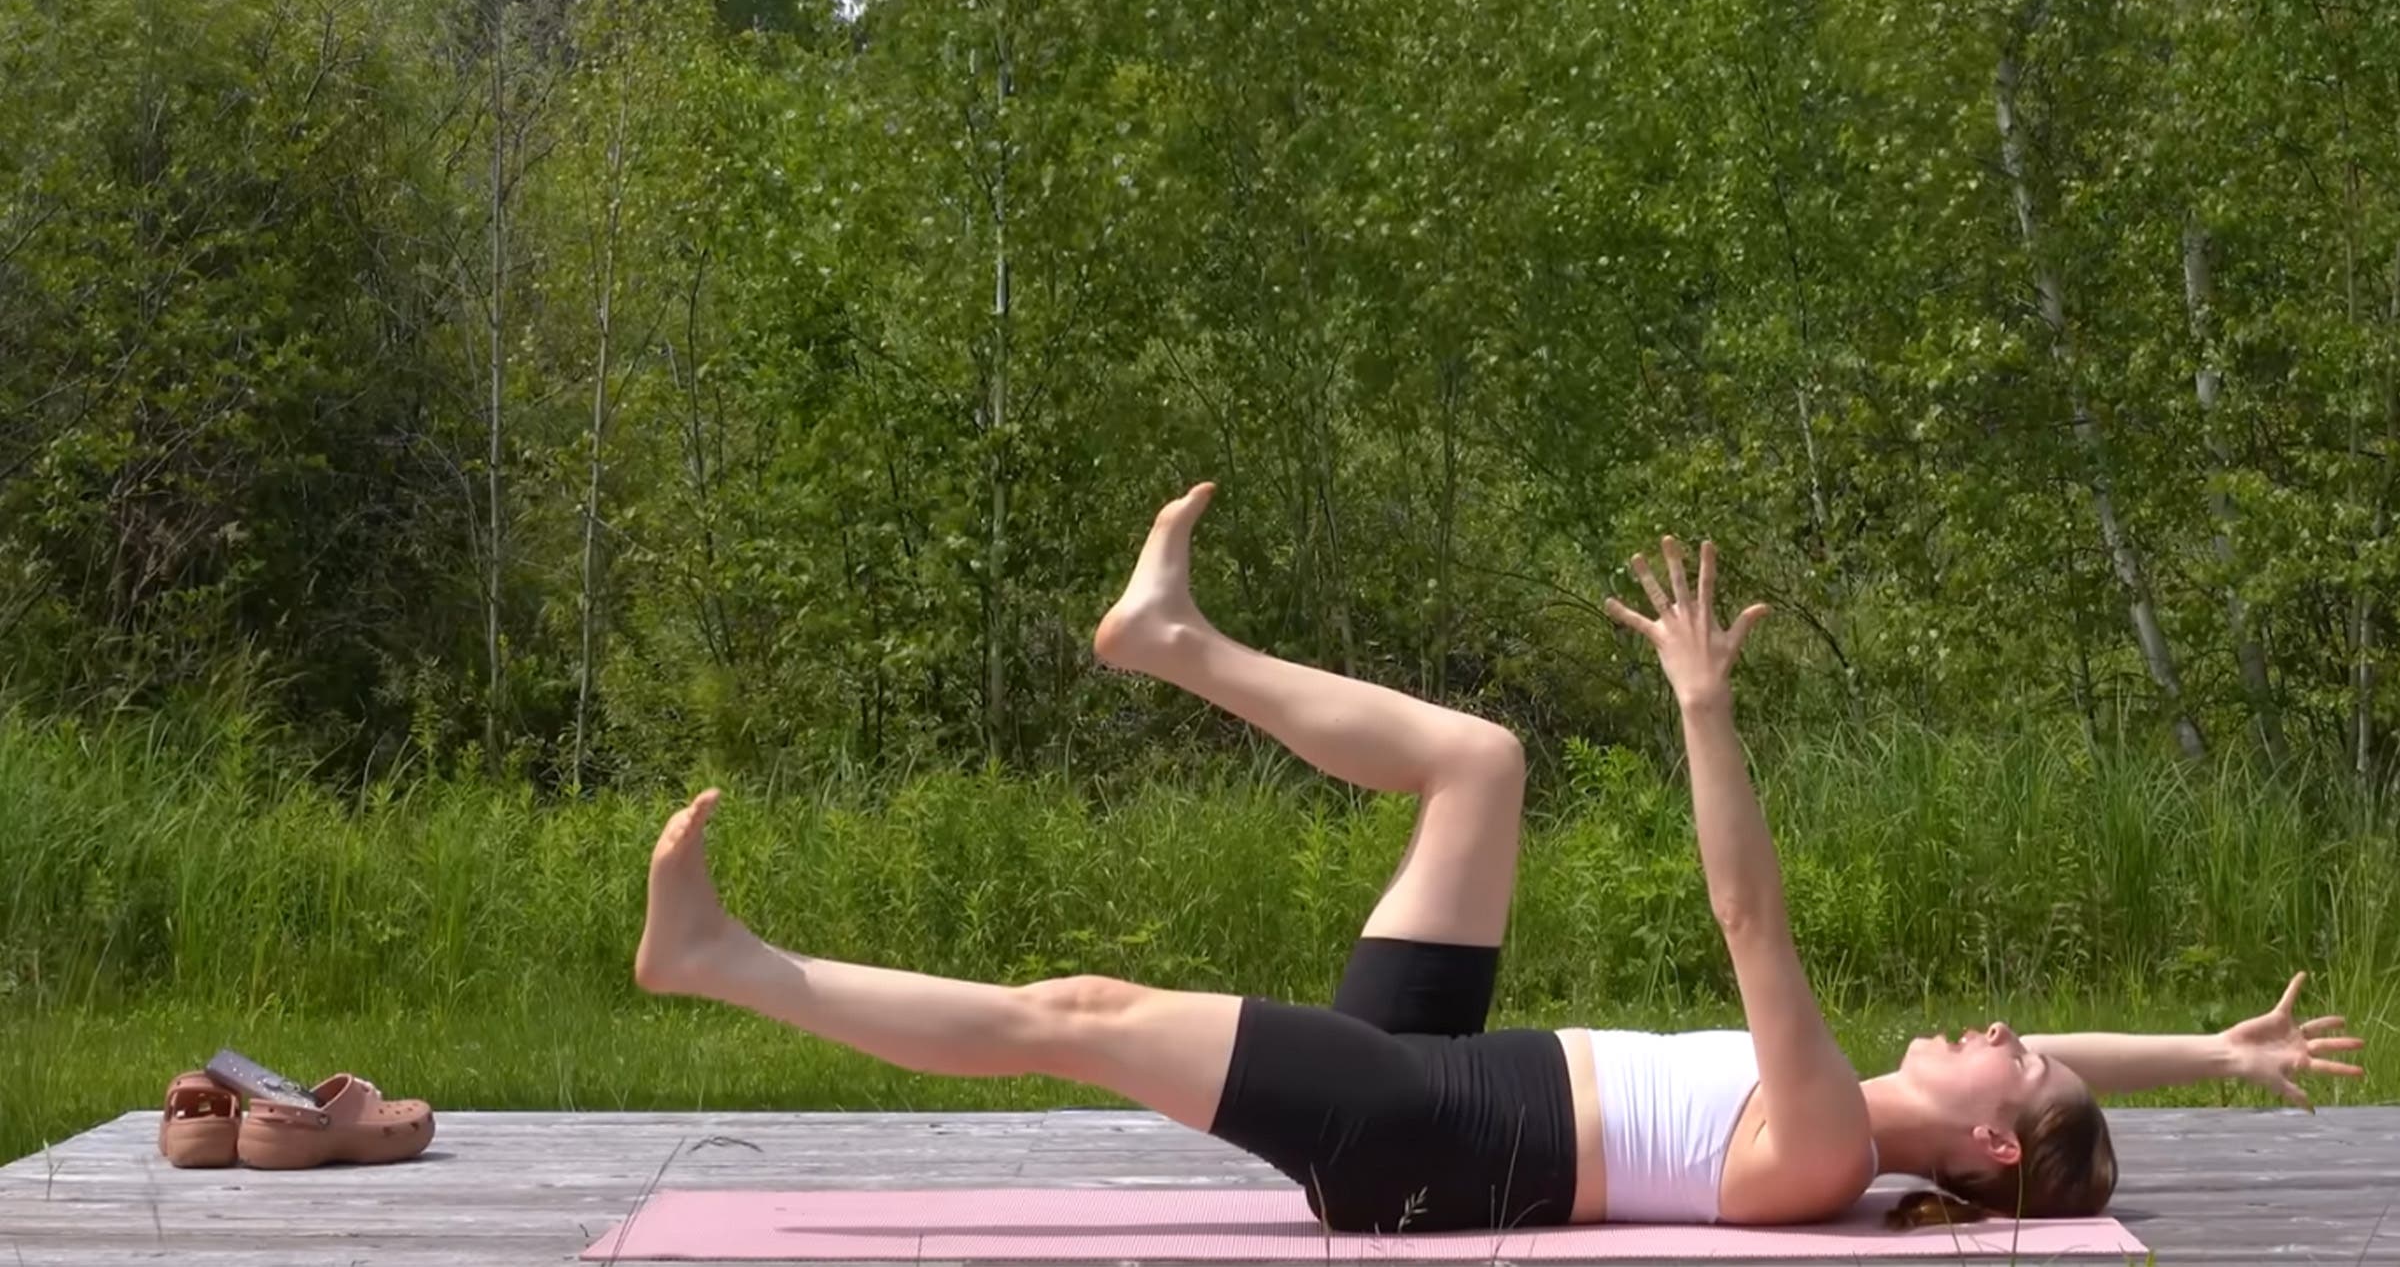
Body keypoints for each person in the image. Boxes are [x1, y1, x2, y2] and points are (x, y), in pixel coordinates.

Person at [633, 482, 2365, 1234]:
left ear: (1990, 1132)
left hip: (1416, 1141)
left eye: (2013, 1050)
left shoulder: (1830, 1140)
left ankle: (722, 963)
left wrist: (1702, 705)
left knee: (1074, 1008)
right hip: (1445, 1073)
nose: (2001, 1016)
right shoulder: (1896, 1115)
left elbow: (1745, 907)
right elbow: (2067, 1064)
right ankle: (1167, 639)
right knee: (1481, 764)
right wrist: (2215, 1050)